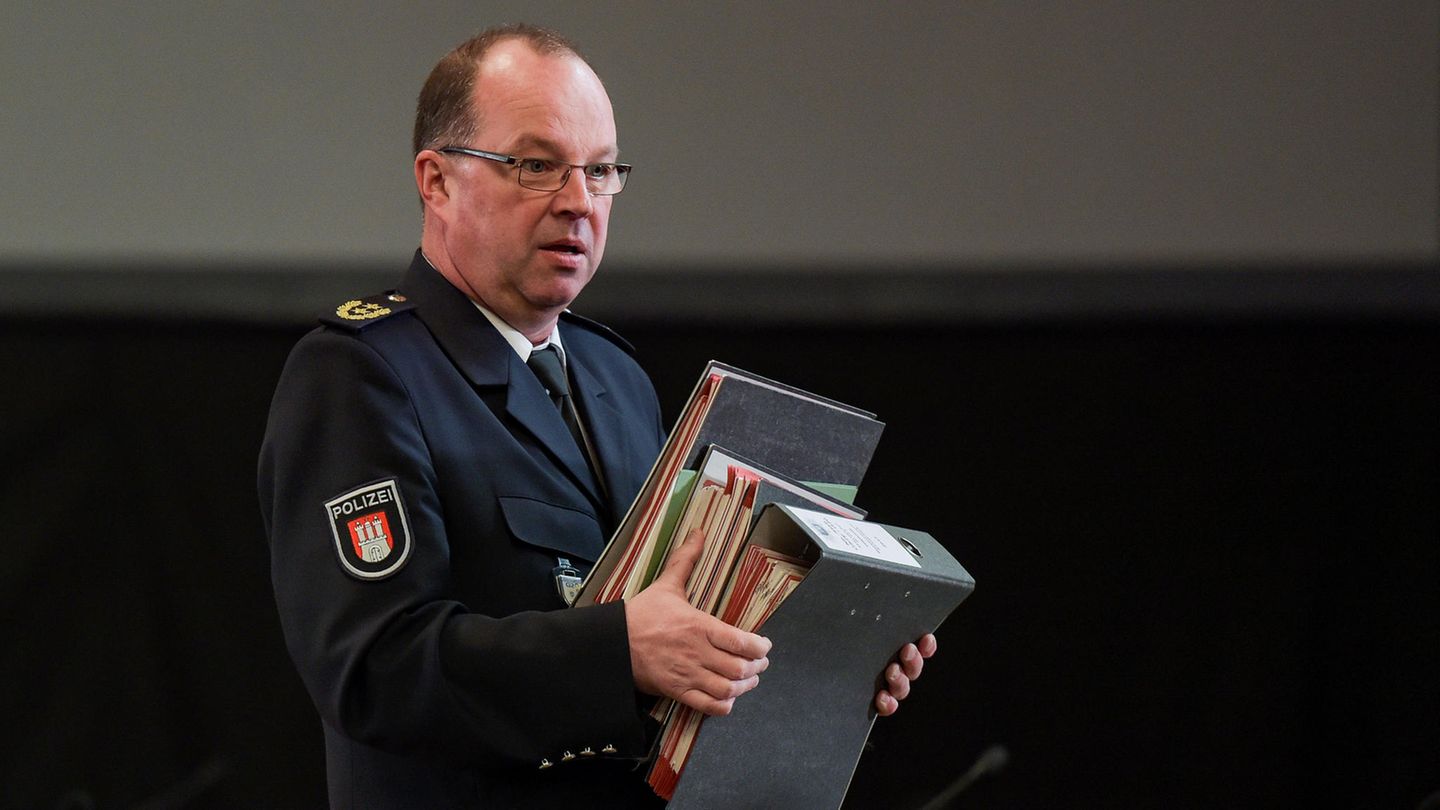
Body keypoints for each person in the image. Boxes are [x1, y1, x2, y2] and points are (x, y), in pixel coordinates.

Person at [258, 24, 936, 809]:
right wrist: (618, 651)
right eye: (536, 166)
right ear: (437, 181)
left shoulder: (615, 377)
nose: (579, 202)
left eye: (601, 170)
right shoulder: (362, 374)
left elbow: (675, 654)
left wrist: (822, 657)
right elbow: (373, 668)